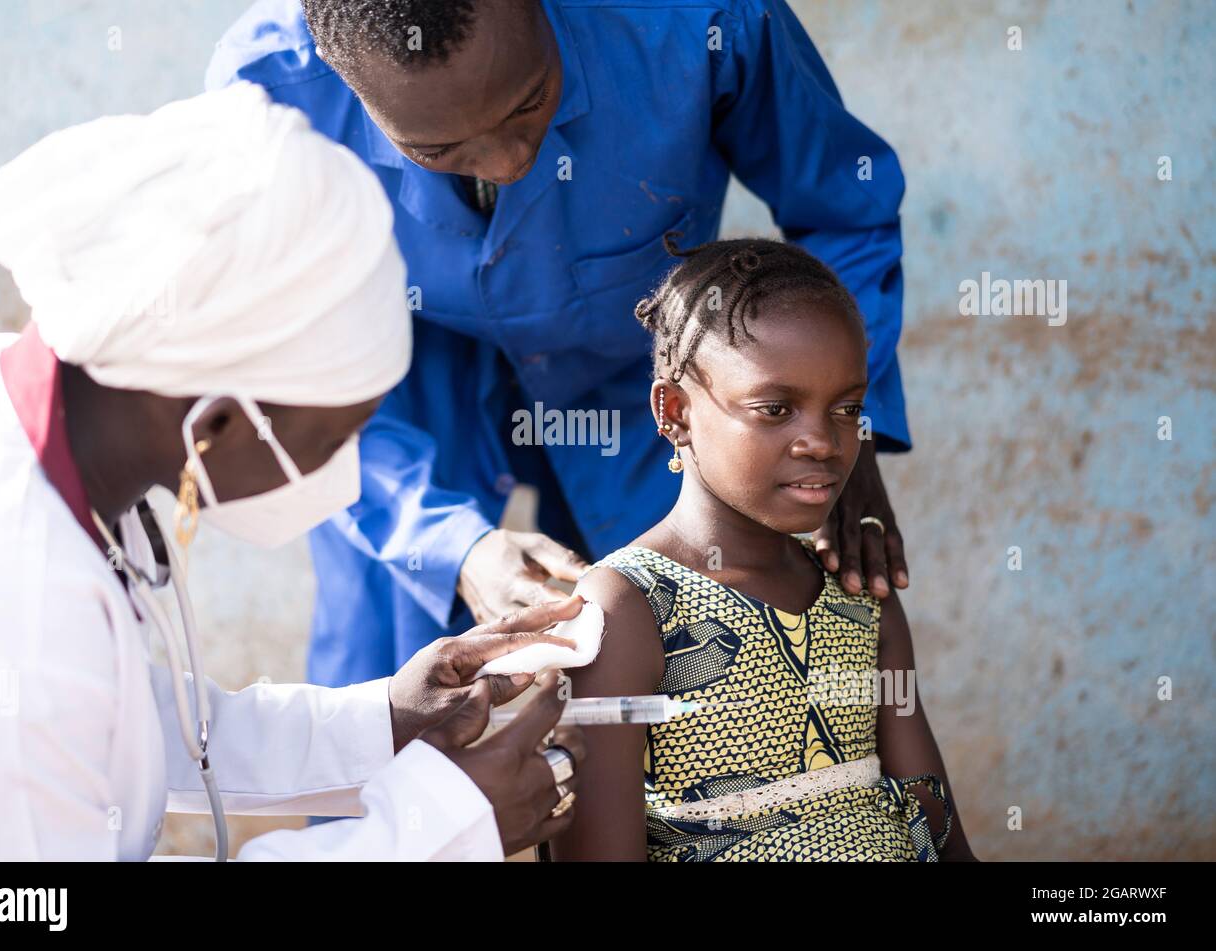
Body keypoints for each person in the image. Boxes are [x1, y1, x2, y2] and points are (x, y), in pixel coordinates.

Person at [0, 82, 584, 861]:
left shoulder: (16, 407)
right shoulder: (10, 612)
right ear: (217, 425)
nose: (345, 471)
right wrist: (442, 825)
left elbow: (121, 724)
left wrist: (387, 717)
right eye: (336, 436)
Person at [206, 0, 915, 689]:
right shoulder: (267, 93)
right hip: (392, 379)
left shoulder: (704, 21)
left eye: (529, 102)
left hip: (632, 361)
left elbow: (841, 214)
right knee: (392, 681)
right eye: (437, 149)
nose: (509, 161)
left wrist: (849, 419)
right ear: (338, 71)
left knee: (702, 643)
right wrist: (452, 546)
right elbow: (290, 362)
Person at [549, 236, 975, 861]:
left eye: (846, 408)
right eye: (776, 409)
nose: (822, 442)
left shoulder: (857, 597)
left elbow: (938, 833)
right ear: (676, 412)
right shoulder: (629, 609)